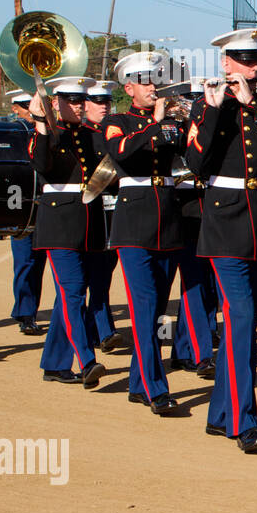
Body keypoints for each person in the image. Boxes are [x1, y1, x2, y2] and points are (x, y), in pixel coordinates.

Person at [187, 28, 257, 453]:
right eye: (243, 59)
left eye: (256, 59)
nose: (253, 66)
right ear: (225, 62)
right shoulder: (206, 103)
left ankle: (220, 416)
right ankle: (241, 419)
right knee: (241, 318)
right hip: (225, 218)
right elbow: (196, 161)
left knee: (245, 321)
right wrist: (216, 111)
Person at [101, 52, 185, 415]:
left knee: (156, 310)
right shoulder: (117, 120)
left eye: (157, 80)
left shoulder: (172, 121)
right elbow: (120, 151)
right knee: (144, 305)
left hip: (167, 218)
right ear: (129, 86)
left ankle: (139, 383)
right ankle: (155, 388)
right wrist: (156, 123)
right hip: (133, 221)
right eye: (147, 82)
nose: (155, 87)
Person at [28, 77, 108, 389]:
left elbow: (107, 169)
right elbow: (40, 164)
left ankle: (54, 363)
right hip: (59, 221)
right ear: (56, 102)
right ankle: (86, 359)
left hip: (88, 220)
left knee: (69, 296)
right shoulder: (48, 132)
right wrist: (41, 123)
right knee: (73, 290)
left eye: (80, 100)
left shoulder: (91, 134)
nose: (76, 105)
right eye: (70, 100)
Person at [169, 77, 216, 379]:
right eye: (190, 101)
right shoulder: (174, 129)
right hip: (184, 212)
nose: (194, 107)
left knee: (204, 286)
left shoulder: (210, 128)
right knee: (195, 283)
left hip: (209, 210)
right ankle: (200, 353)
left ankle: (183, 350)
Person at [83, 80, 121, 352]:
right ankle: (103, 330)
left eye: (106, 101)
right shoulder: (83, 135)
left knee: (104, 272)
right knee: (94, 274)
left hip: (114, 210)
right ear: (84, 105)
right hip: (91, 211)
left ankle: (94, 329)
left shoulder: (113, 130)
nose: (103, 106)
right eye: (97, 102)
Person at [7, 89, 46, 336]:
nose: (29, 110)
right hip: (20, 205)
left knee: (39, 263)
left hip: (43, 204)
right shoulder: (11, 135)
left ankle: (29, 310)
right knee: (25, 262)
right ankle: (25, 312)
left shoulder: (45, 130)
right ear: (15, 109)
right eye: (24, 105)